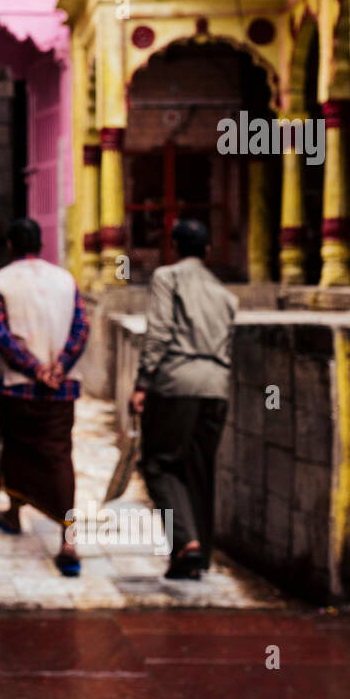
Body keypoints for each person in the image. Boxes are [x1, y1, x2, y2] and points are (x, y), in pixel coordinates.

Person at [129, 218, 238, 580]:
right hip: (216, 388)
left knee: (159, 465)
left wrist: (143, 382)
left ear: (173, 247)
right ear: (207, 251)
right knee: (199, 470)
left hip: (176, 384)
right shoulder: (225, 294)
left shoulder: (167, 277)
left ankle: (185, 542)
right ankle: (197, 557)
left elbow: (158, 333)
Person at [0, 218, 89, 577]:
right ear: (41, 244)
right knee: (59, 457)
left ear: (11, 245)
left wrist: (34, 369)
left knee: (15, 448)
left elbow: (0, 335)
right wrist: (58, 366)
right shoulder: (66, 280)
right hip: (62, 389)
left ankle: (13, 513)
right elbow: (81, 328)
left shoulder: (0, 282)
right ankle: (68, 540)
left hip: (19, 387)